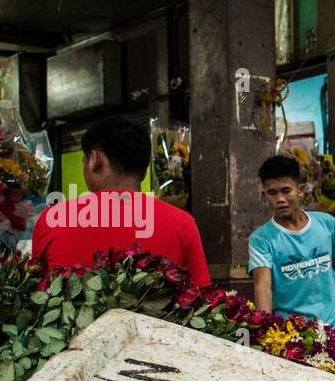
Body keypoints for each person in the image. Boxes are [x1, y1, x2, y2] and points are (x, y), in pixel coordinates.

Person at [32, 116, 210, 284]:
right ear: (145, 169)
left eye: (83, 160)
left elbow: (35, 297)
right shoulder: (183, 224)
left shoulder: (53, 220)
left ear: (95, 159)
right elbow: (202, 299)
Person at [248, 155, 335, 336]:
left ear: (300, 190)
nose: (280, 199)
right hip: (296, 333)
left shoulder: (327, 224)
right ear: (264, 196)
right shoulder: (261, 239)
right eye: (272, 193)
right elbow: (263, 285)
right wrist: (265, 329)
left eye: (286, 190)